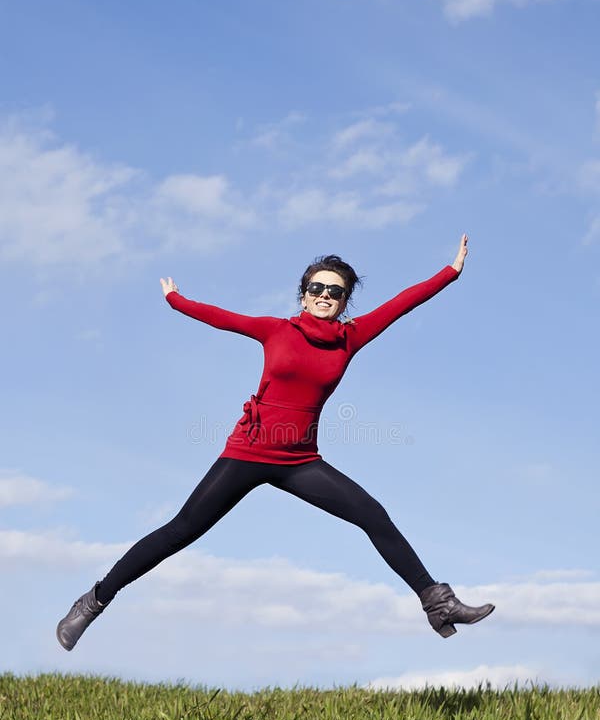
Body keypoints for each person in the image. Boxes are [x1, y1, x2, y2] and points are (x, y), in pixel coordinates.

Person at [56, 234, 494, 651]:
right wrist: (175, 300)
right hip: (247, 452)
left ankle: (438, 605)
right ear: (303, 294)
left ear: (344, 303)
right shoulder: (275, 330)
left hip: (301, 461)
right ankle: (93, 601)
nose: (325, 295)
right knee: (180, 530)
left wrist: (450, 271)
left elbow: (402, 303)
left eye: (335, 291)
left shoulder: (350, 338)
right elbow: (222, 317)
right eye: (316, 287)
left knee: (372, 515)